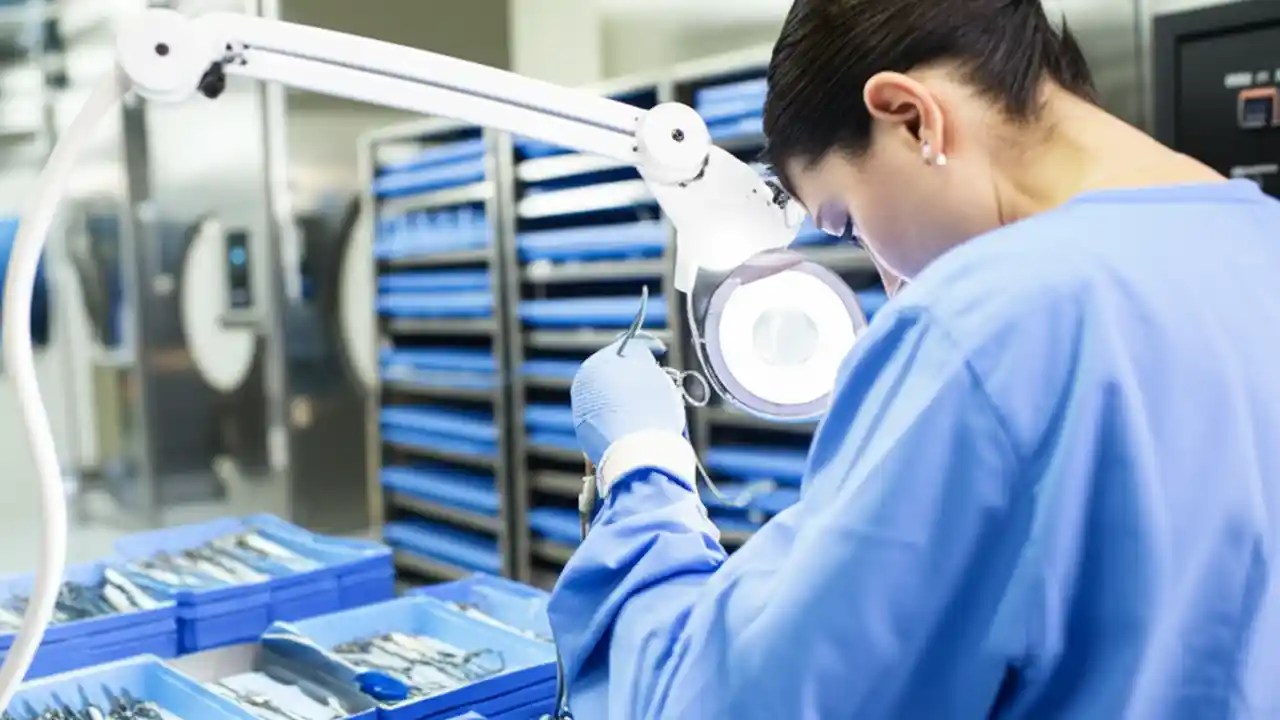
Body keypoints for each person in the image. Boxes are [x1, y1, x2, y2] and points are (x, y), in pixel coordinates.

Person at [549, 0, 1280, 717]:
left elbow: (733, 702)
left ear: (910, 116)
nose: (890, 279)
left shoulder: (989, 323)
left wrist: (642, 473)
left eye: (849, 221)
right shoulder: (1259, 246)